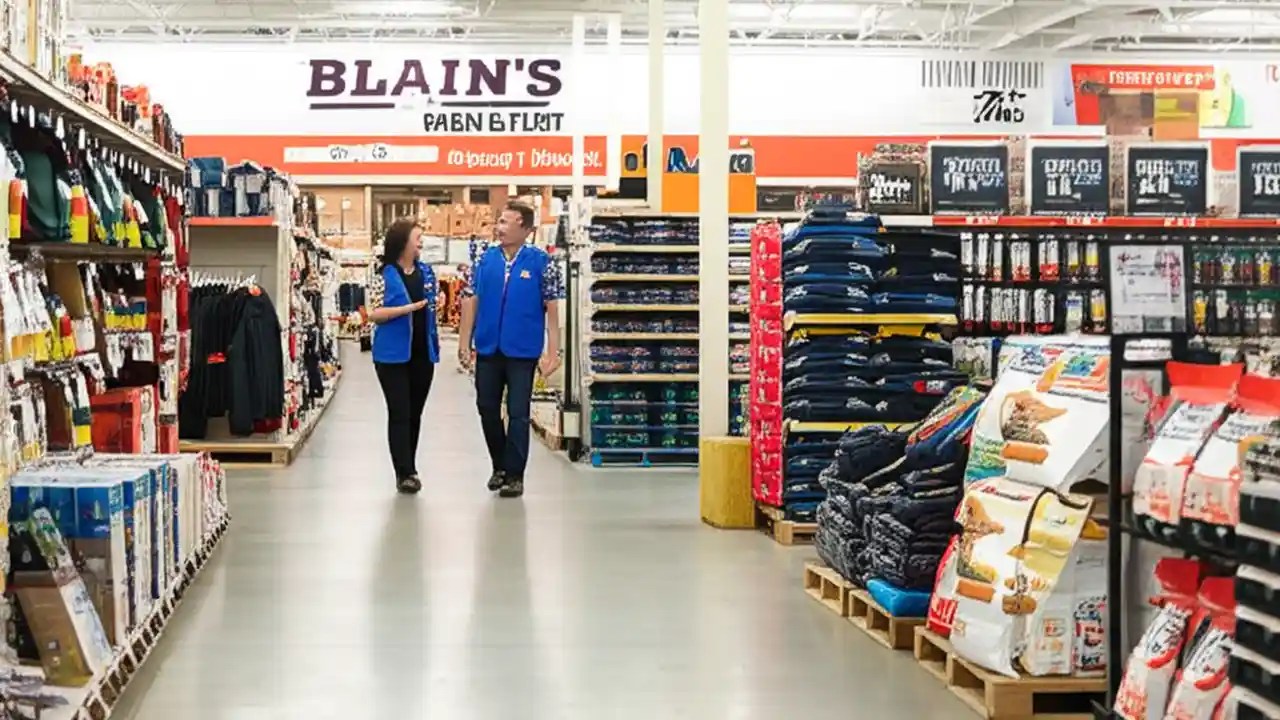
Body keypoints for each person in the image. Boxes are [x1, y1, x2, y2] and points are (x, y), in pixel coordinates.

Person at [458, 201, 563, 498]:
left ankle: (515, 475)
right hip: (489, 346)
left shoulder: (542, 262)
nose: (499, 227)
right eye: (499, 221)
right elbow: (471, 299)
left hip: (523, 350)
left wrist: (552, 352)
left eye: (505, 222)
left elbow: (552, 308)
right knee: (486, 407)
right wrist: (465, 343)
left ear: (525, 228)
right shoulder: (484, 258)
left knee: (518, 412)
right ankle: (499, 465)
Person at [367, 219, 440, 494]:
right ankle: (404, 472)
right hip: (391, 356)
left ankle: (410, 465)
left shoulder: (427, 273)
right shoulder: (383, 274)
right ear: (403, 241)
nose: (421, 242)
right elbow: (373, 313)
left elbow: (433, 309)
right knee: (399, 412)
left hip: (423, 353)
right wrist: (407, 308)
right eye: (418, 237)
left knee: (415, 414)